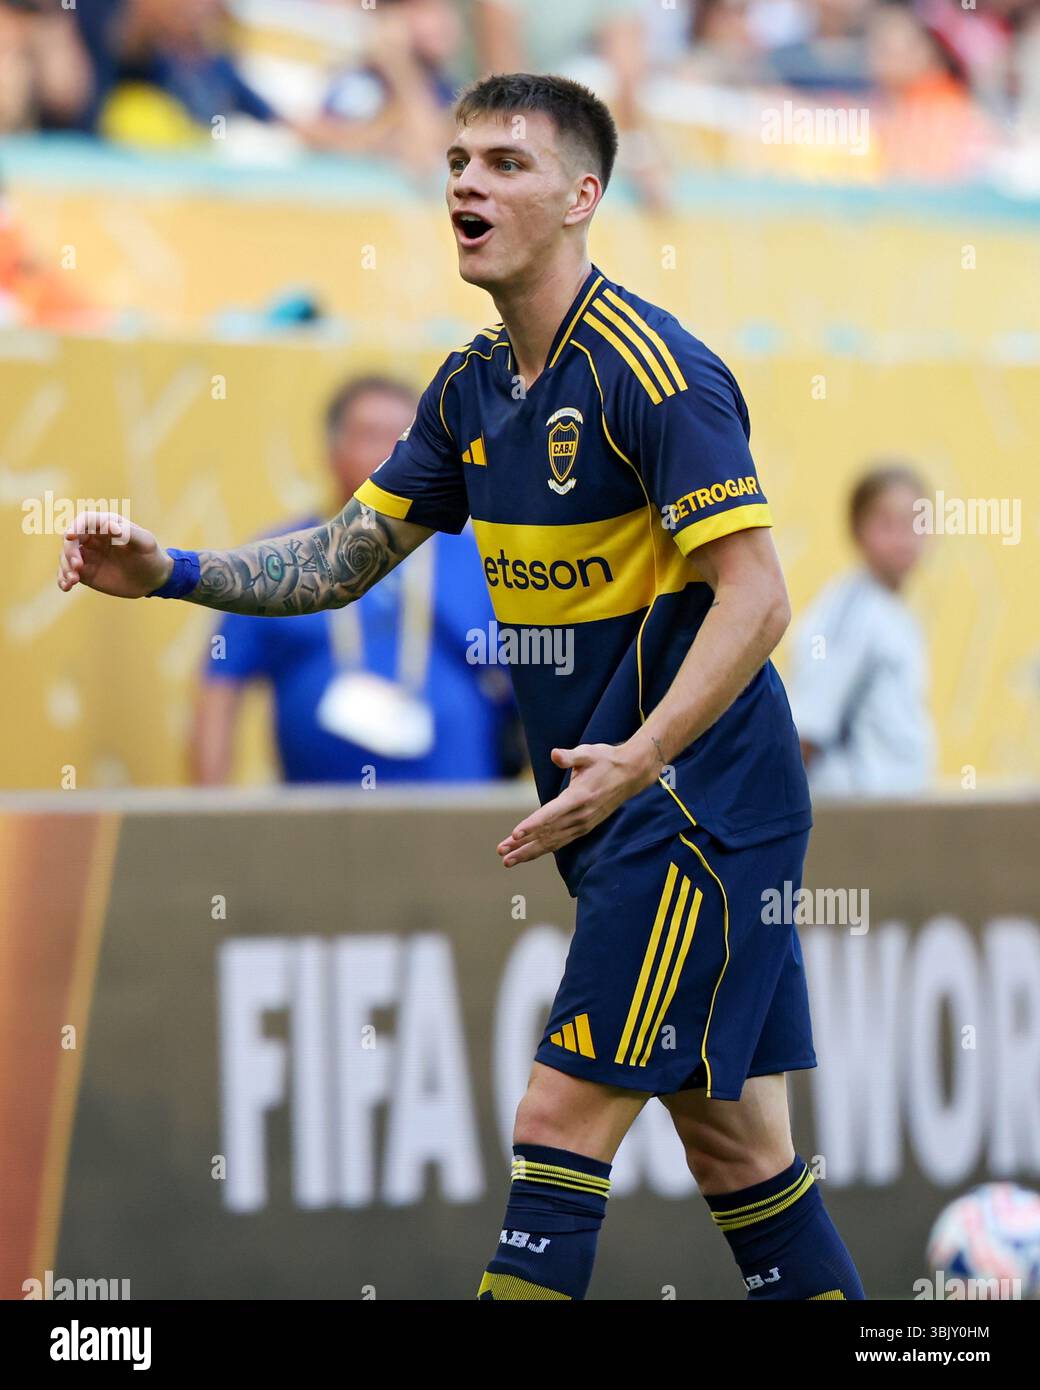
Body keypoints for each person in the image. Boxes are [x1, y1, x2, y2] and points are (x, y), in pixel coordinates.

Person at [57, 73, 863, 1302]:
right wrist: (167, 570)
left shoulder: (654, 373)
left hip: (692, 810)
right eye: (456, 163)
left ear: (582, 196)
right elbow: (338, 560)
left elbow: (756, 597)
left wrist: (639, 759)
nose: (466, 186)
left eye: (503, 163)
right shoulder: (468, 389)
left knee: (554, 1116)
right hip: (618, 815)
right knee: (736, 1146)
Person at [190, 375, 518, 786]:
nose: (391, 454)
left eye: (406, 439)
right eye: (371, 435)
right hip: (317, 826)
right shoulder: (283, 557)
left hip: (456, 819)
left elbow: (536, 682)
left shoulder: (480, 556)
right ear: (333, 452)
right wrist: (213, 821)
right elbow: (220, 684)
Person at [788, 462, 936, 798]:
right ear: (857, 529)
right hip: (857, 815)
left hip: (898, 813)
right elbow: (807, 729)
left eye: (916, 522)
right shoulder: (850, 613)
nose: (904, 537)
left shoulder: (898, 613)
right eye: (887, 524)